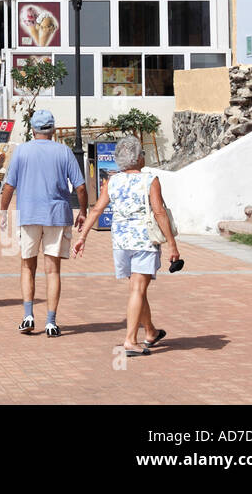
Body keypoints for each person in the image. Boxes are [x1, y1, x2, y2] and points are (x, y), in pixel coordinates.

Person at [74, 134, 180, 357]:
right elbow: (159, 213)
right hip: (143, 240)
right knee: (137, 290)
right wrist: (172, 244)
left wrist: (82, 237)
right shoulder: (150, 180)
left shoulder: (113, 181)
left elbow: (96, 210)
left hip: (120, 242)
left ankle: (150, 331)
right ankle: (130, 340)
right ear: (139, 158)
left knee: (137, 290)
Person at [0, 109, 87, 337]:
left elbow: (9, 185)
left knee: (28, 265)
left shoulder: (22, 151)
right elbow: (80, 187)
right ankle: (51, 321)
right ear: (53, 130)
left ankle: (28, 316)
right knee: (53, 269)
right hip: (57, 215)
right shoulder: (64, 152)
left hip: (29, 214)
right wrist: (83, 211)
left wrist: (2, 210)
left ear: (33, 129)